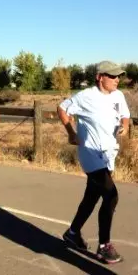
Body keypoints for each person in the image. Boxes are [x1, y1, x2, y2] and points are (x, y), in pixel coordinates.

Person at [57, 60, 130, 264]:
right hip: (90, 153)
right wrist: (71, 132)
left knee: (92, 196)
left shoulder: (118, 95)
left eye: (118, 76)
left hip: (108, 154)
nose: (117, 80)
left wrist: (123, 126)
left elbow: (125, 116)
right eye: (112, 76)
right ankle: (104, 246)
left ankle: (73, 232)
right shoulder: (86, 96)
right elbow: (62, 108)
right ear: (100, 77)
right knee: (111, 196)